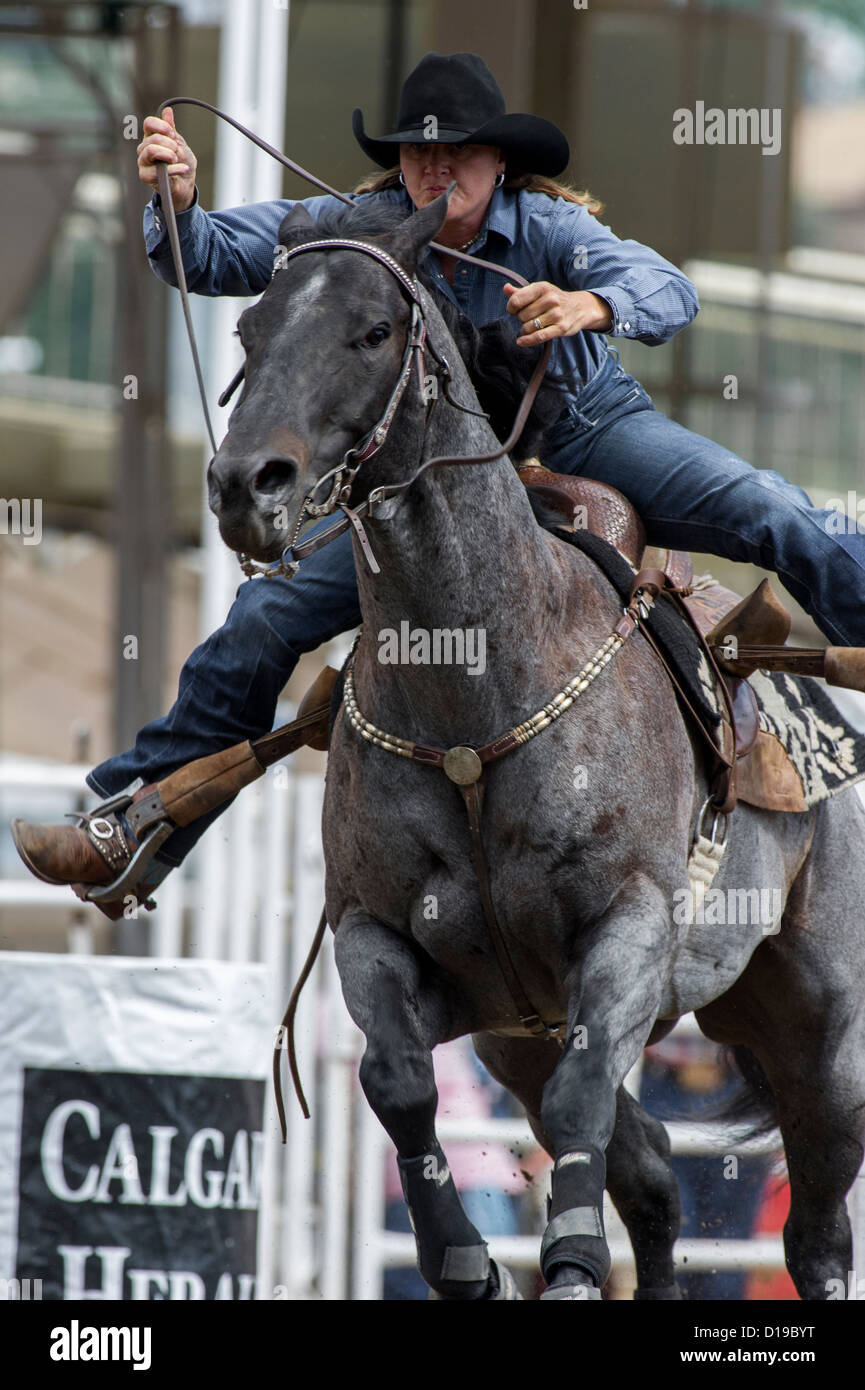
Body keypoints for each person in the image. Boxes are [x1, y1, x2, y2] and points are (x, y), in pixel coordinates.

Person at [13, 50, 865, 906]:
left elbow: (665, 287)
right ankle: (132, 825)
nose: (435, 167)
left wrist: (592, 305)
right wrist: (182, 202)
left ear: (499, 163)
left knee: (767, 509)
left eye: (456, 151)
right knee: (264, 615)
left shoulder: (549, 229)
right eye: (418, 153)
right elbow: (210, 253)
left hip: (582, 429)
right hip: (423, 483)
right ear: (399, 164)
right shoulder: (355, 226)